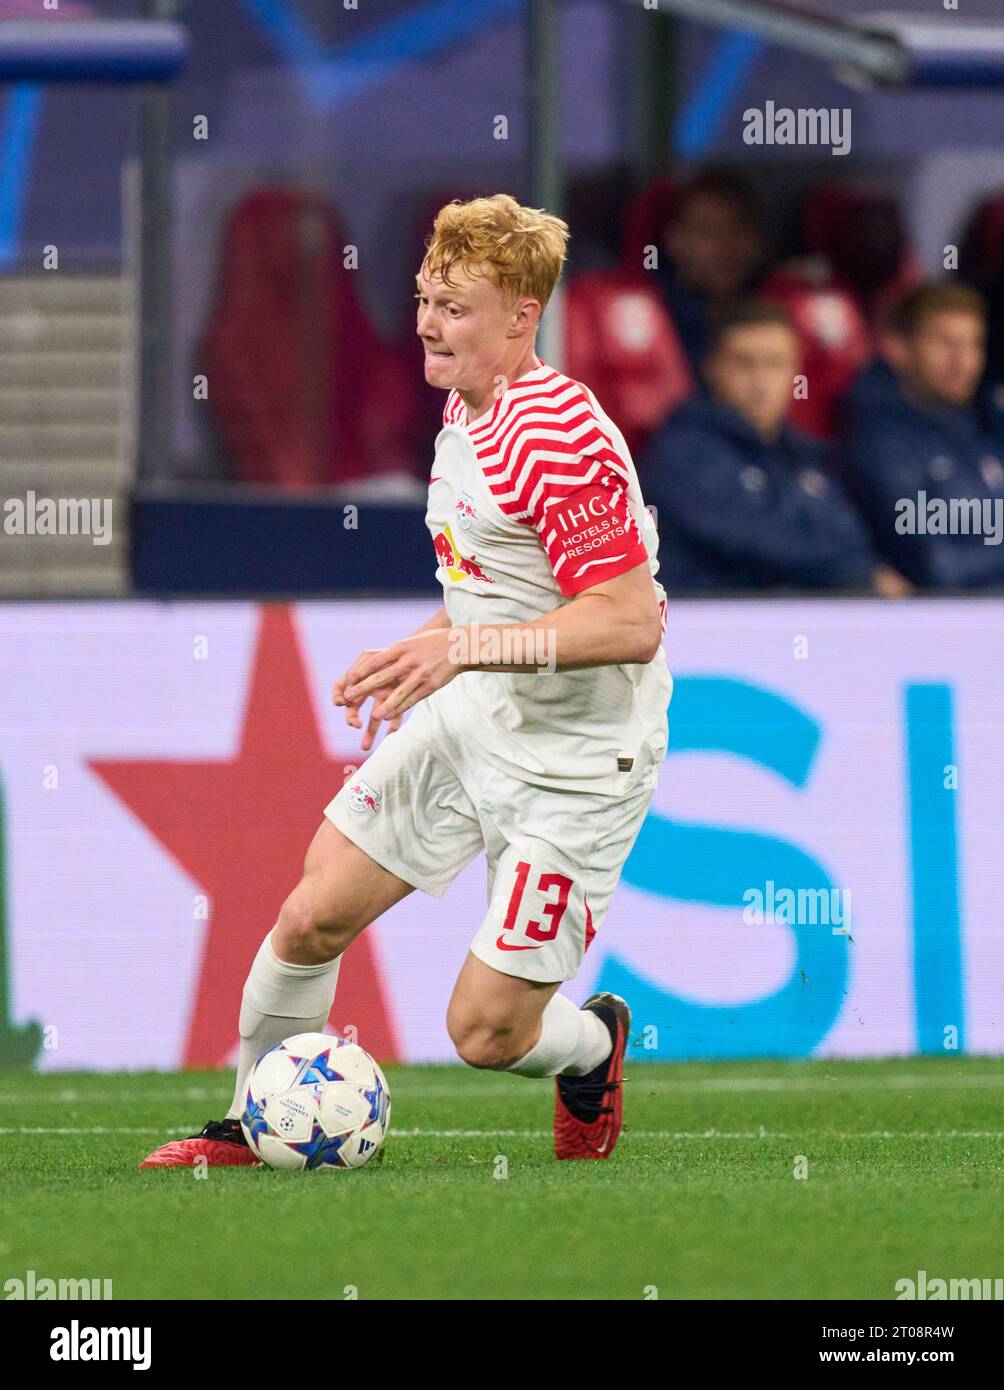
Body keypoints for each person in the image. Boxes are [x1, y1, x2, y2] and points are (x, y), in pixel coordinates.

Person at [140, 194, 673, 1168]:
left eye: (456, 305)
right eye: (425, 298)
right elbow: (503, 591)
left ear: (521, 315)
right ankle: (251, 1125)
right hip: (479, 716)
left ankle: (591, 1047)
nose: (428, 322)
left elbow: (629, 620)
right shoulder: (462, 408)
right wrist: (428, 643)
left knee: (485, 1032)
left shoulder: (555, 433)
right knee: (310, 914)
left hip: (576, 762)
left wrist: (459, 650)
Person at [641, 299, 907, 594]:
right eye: (744, 363)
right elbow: (762, 545)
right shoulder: (683, 454)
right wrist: (858, 571)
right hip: (712, 627)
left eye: (774, 364)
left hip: (796, 622)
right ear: (711, 367)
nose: (760, 381)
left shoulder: (804, 454)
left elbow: (851, 535)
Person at [842, 282, 1004, 589]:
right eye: (944, 343)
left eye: (973, 344)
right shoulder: (881, 445)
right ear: (898, 347)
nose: (962, 361)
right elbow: (934, 567)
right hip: (939, 624)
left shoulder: (988, 426)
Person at [653, 169, 765, 378]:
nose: (725, 245)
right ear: (675, 240)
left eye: (737, 229)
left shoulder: (776, 307)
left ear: (757, 240)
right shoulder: (653, 315)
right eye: (708, 231)